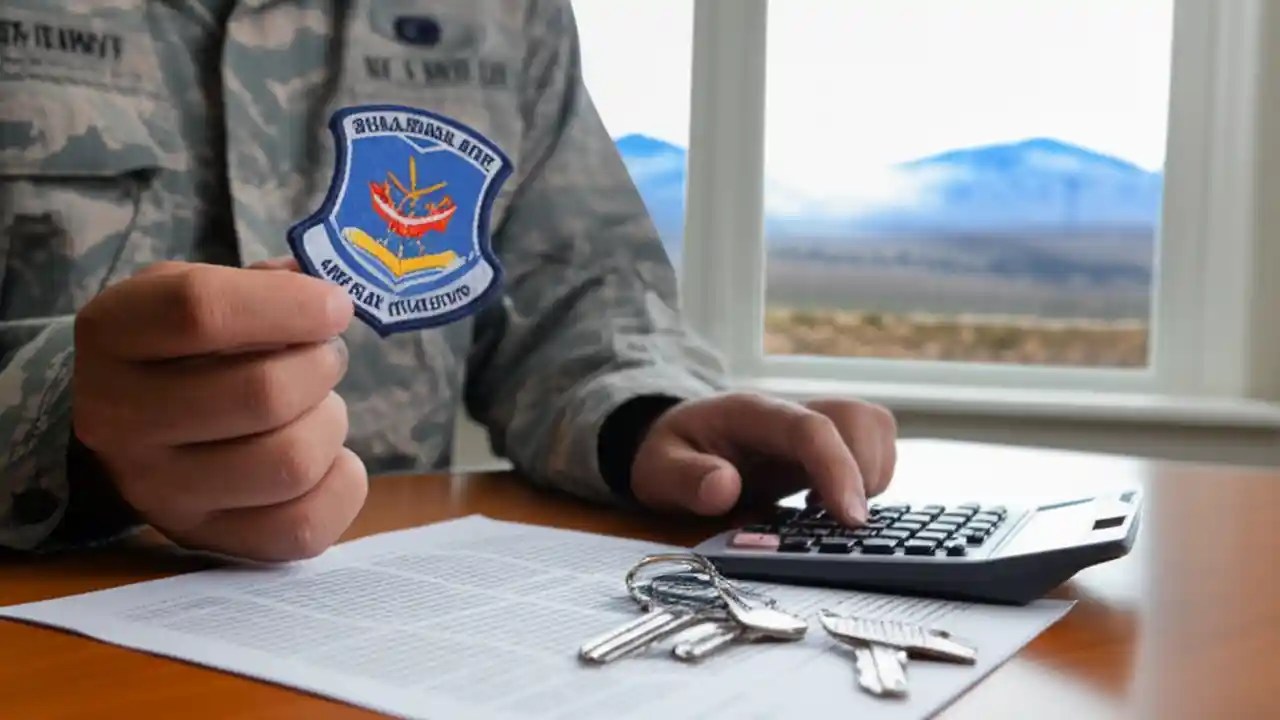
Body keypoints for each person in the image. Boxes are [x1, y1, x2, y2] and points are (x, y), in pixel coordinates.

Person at [0, 0, 897, 561]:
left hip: (376, 625)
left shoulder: (504, 14)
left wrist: (646, 416)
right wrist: (59, 419)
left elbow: (574, 289)